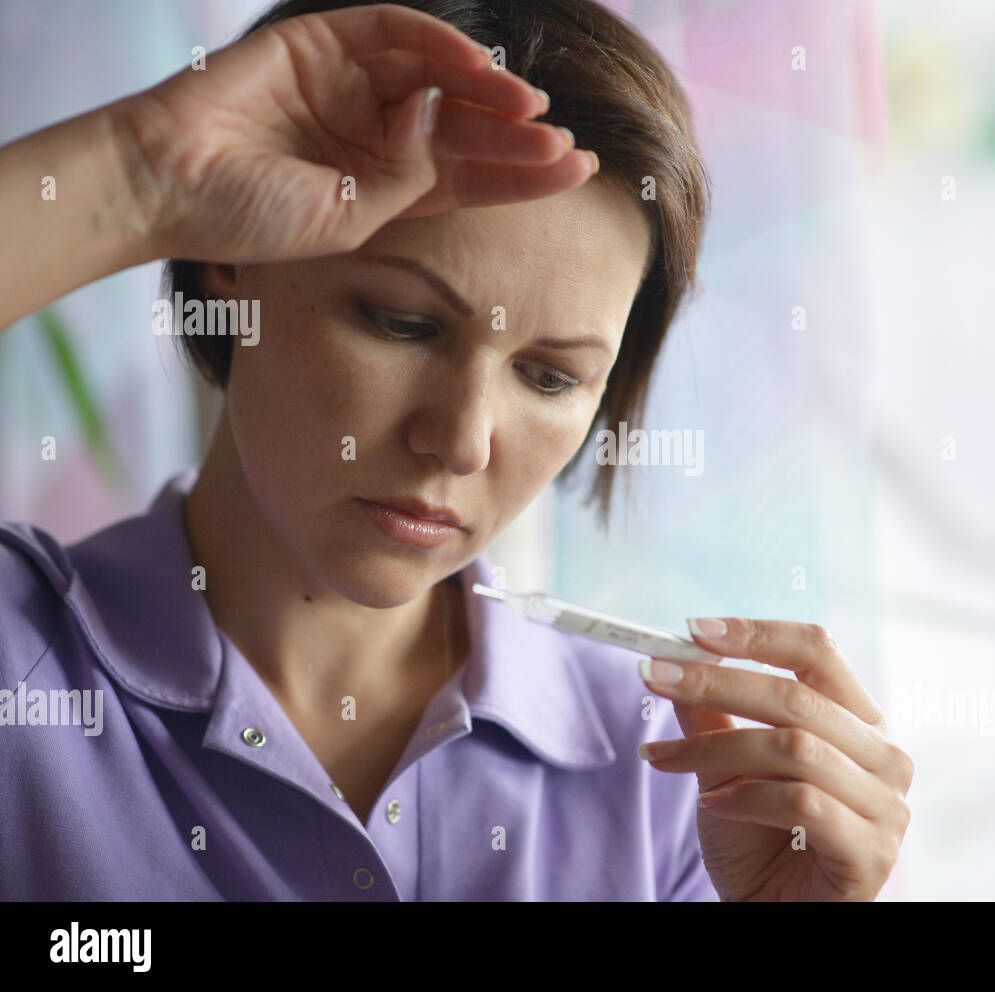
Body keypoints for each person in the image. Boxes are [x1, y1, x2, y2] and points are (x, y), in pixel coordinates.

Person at [0, 0, 912, 901]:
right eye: (401, 322)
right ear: (228, 258)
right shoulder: (24, 675)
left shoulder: (677, 784)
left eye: (551, 378)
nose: (463, 440)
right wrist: (141, 173)